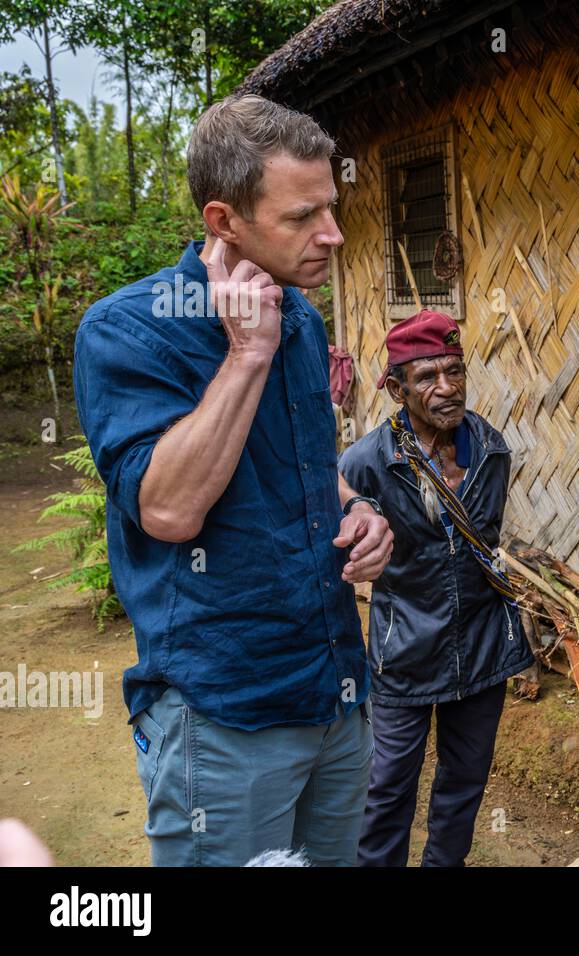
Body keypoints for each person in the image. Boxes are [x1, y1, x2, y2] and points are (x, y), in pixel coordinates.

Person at [73, 94, 392, 866]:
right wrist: (246, 354)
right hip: (223, 711)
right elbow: (170, 508)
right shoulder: (128, 329)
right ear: (223, 220)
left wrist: (361, 512)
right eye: (302, 216)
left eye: (332, 207)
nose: (333, 234)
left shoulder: (304, 320)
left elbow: (309, 472)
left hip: (333, 688)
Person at [339, 310, 533, 867]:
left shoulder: (490, 449)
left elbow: (485, 543)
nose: (446, 388)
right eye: (427, 377)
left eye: (455, 371)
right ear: (398, 389)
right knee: (387, 788)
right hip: (404, 651)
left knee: (464, 783)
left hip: (483, 647)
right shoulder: (366, 463)